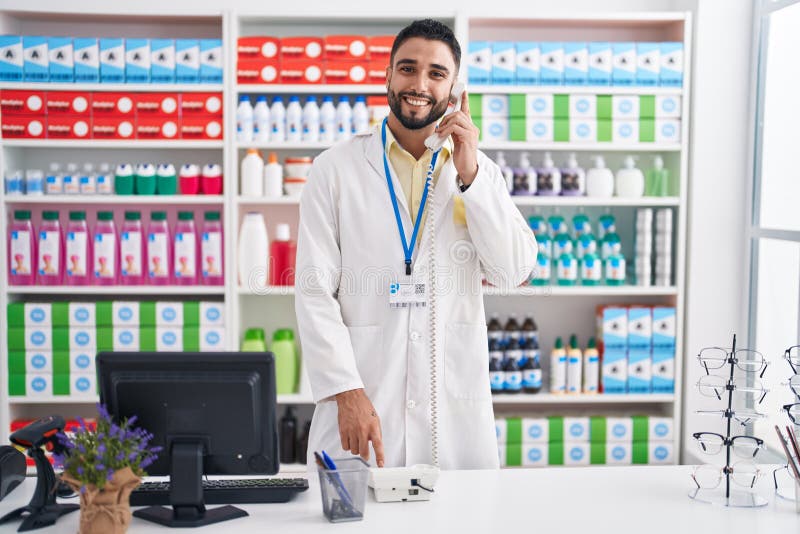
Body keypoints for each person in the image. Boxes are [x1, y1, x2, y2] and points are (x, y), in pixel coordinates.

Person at [295, 19, 537, 470]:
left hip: (452, 414)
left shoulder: (478, 170)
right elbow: (313, 290)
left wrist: (471, 177)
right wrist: (345, 390)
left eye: (436, 73)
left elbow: (512, 272)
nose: (419, 84)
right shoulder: (335, 168)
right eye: (407, 68)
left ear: (454, 87)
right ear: (388, 75)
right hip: (364, 397)